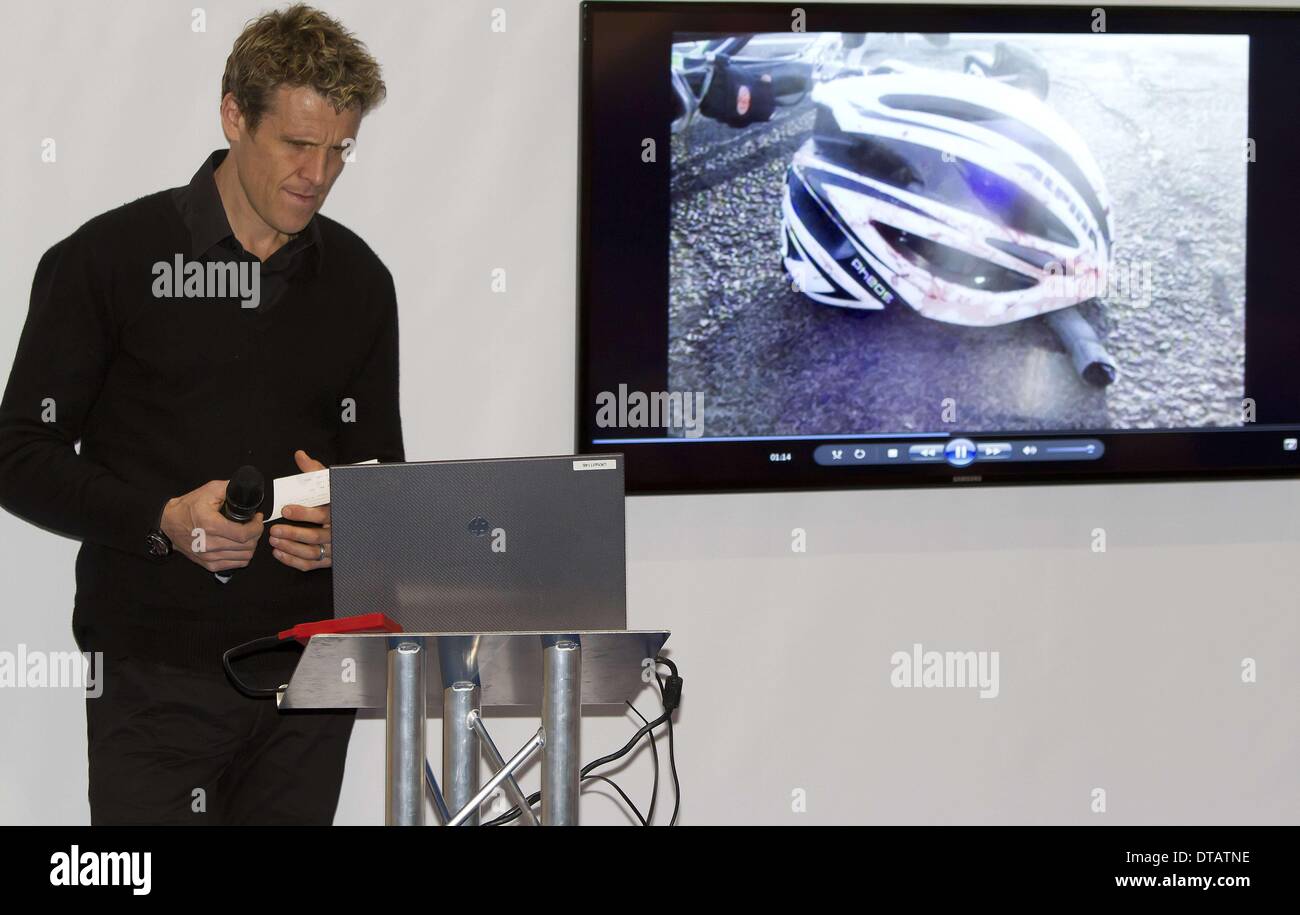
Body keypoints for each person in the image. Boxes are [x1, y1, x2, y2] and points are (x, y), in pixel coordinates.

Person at [0, 4, 403, 824]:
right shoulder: (106, 260)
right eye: (298, 144)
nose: (318, 174)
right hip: (154, 676)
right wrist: (162, 518)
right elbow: (17, 452)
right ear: (233, 114)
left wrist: (350, 525)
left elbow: (382, 474)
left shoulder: (361, 282)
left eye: (340, 150)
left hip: (310, 678)